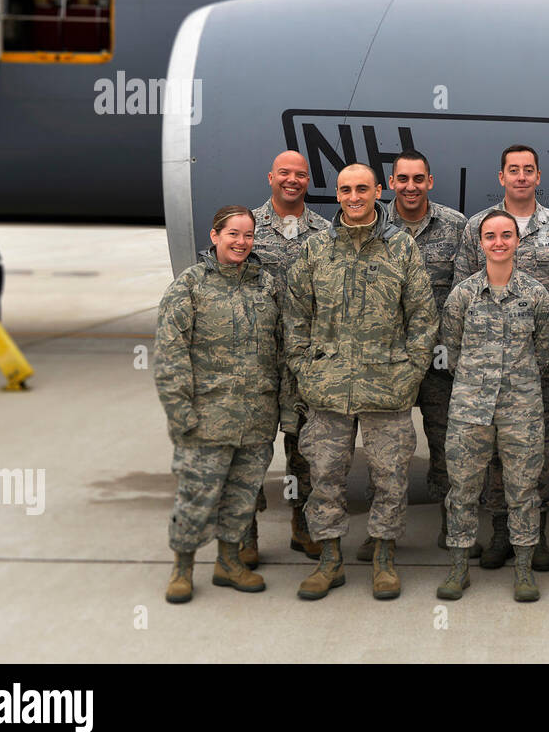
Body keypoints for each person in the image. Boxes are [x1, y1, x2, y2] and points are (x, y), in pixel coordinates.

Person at [284, 163, 437, 601]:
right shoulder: (315, 250)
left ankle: (384, 557)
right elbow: (296, 318)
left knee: (390, 476)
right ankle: (330, 559)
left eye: (363, 188)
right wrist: (306, 370)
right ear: (336, 195)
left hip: (387, 389)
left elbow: (423, 317)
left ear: (378, 192)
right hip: (327, 389)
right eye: (346, 189)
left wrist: (409, 373)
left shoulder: (401, 249)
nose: (354, 196)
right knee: (325, 475)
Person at [453, 144, 549, 571]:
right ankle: (501, 532)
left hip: (540, 364)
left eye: (529, 170)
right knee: (491, 452)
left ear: (538, 177)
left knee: (537, 448)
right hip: (485, 365)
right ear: (501, 176)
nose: (522, 176)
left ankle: (536, 534)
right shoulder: (478, 227)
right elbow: (462, 291)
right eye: (514, 170)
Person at [154, 205, 292, 603]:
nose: (241, 242)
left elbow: (281, 350)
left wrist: (281, 408)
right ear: (214, 236)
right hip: (206, 421)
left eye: (248, 236)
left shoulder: (267, 286)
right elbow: (170, 355)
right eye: (233, 234)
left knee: (242, 496)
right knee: (196, 496)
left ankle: (229, 562)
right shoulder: (190, 286)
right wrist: (181, 414)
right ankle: (182, 567)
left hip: (256, 419)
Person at [354, 150, 471, 562]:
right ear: (391, 183)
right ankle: (380, 530)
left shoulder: (456, 226)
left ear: (430, 181)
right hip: (390, 358)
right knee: (385, 446)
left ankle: (451, 520)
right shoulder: (372, 225)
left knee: (447, 442)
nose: (410, 186)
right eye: (402, 179)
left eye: (418, 178)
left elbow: (464, 291)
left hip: (440, 357)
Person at [436, 210, 549, 602]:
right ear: (480, 242)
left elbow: (544, 350)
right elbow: (451, 350)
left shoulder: (536, 295)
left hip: (520, 409)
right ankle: (458, 568)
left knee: (523, 491)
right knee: (463, 490)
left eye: (507, 235)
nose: (499, 242)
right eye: (491, 236)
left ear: (517, 241)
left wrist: (515, 382)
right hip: (470, 409)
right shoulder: (462, 296)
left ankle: (523, 569)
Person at [243, 150, 329, 565]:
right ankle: (245, 535)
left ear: (307, 180)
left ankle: (303, 525)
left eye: (300, 174)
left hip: (303, 359)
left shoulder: (326, 232)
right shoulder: (248, 229)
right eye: (284, 173)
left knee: (304, 448)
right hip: (257, 358)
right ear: (270, 177)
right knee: (251, 447)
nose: (292, 180)